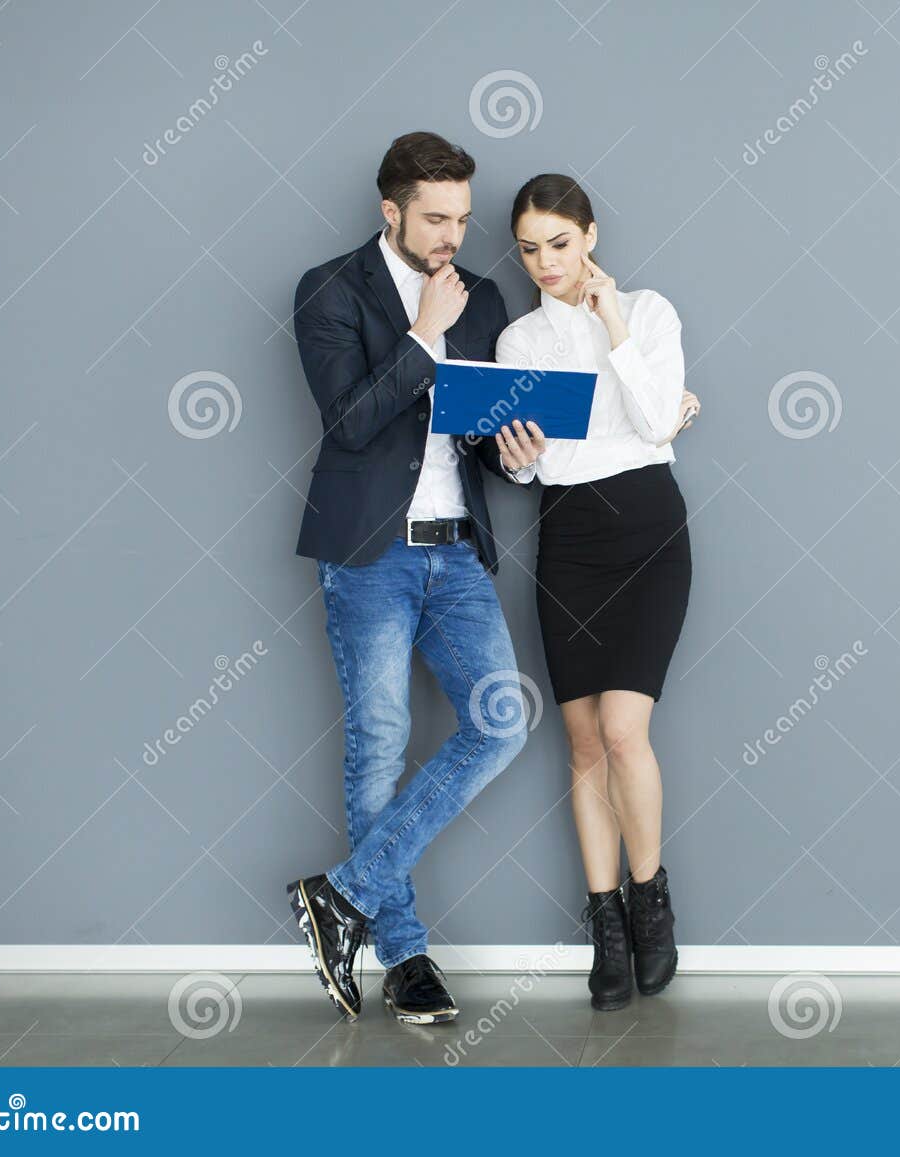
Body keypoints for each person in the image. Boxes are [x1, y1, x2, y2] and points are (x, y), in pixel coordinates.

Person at [284, 131, 547, 1024]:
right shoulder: (329, 288)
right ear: (390, 210)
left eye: (463, 219)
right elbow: (352, 422)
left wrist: (515, 453)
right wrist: (424, 333)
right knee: (379, 746)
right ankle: (403, 957)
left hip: (457, 547)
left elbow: (478, 429)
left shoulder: (485, 296)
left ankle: (342, 894)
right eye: (436, 218)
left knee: (503, 721)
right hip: (370, 551)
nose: (453, 237)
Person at [492, 173, 700, 1010]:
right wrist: (512, 451)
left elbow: (655, 422)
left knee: (623, 732)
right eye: (530, 248)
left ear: (590, 236)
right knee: (581, 745)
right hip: (568, 535)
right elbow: (528, 467)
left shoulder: (649, 312)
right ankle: (604, 923)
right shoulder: (517, 342)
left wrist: (611, 319)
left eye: (561, 243)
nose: (546, 262)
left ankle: (653, 905)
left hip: (649, 530)